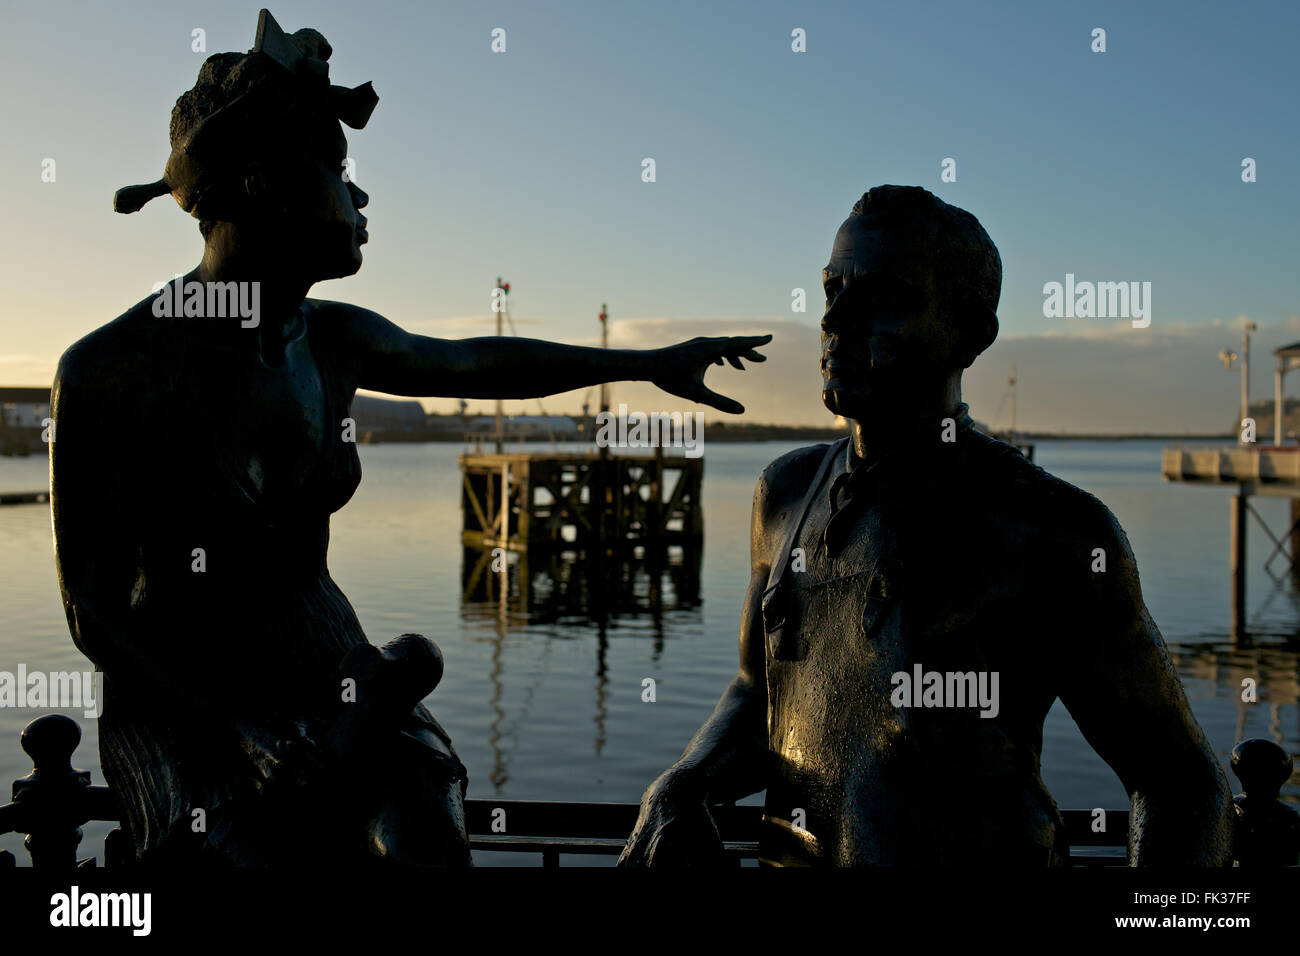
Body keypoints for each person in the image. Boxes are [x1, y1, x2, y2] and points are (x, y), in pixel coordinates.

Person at [50, 10, 767, 866]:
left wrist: (649, 361)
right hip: (185, 695)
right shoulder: (111, 368)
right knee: (234, 858)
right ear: (264, 184)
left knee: (422, 842)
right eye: (337, 169)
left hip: (327, 665)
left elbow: (478, 362)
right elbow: (91, 610)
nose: (359, 198)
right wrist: (237, 731)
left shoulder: (331, 340)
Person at [618, 185, 1234, 867]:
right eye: (831, 291)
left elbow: (1179, 779)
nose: (838, 320)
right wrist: (686, 780)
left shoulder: (1050, 531)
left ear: (970, 331)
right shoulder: (786, 494)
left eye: (883, 297)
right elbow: (754, 690)